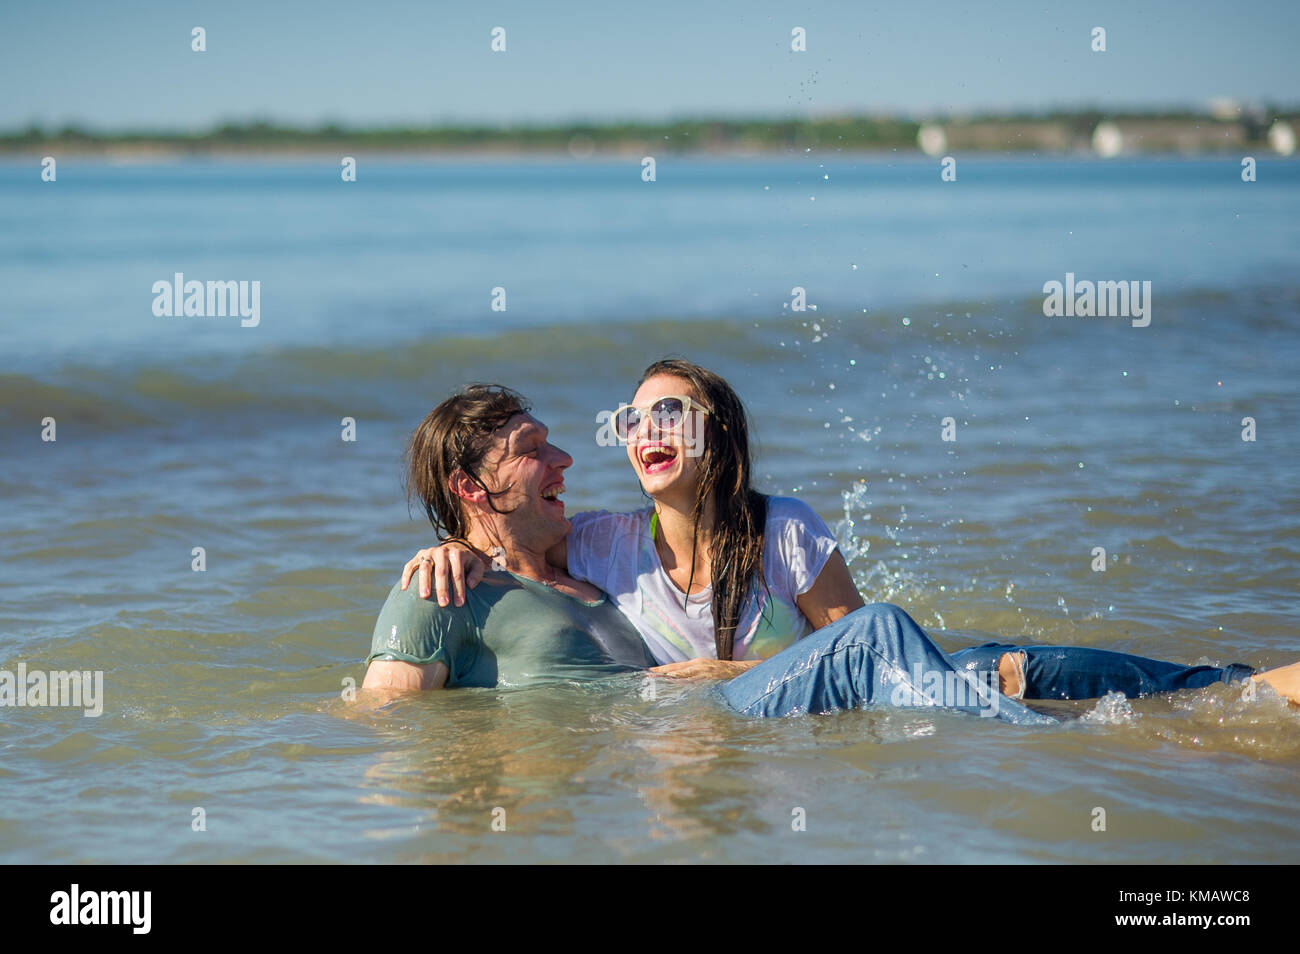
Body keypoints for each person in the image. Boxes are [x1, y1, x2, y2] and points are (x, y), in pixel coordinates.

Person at [398, 361, 1300, 711]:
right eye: (633, 419)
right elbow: (509, 559)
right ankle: (1059, 742)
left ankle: (1236, 688)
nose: (646, 431)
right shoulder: (596, 542)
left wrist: (728, 671)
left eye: (672, 413)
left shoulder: (780, 528)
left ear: (720, 439)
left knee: (1001, 663)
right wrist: (455, 552)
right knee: (910, 644)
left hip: (804, 690)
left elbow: (851, 668)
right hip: (771, 708)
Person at [364, 383, 1071, 724]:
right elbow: (382, 729)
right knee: (877, 633)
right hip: (694, 726)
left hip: (701, 720)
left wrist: (472, 542)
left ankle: (1182, 687)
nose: (566, 458)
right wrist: (455, 549)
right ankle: (1046, 747)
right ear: (471, 487)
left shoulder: (576, 561)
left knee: (984, 663)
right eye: (533, 451)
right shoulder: (440, 592)